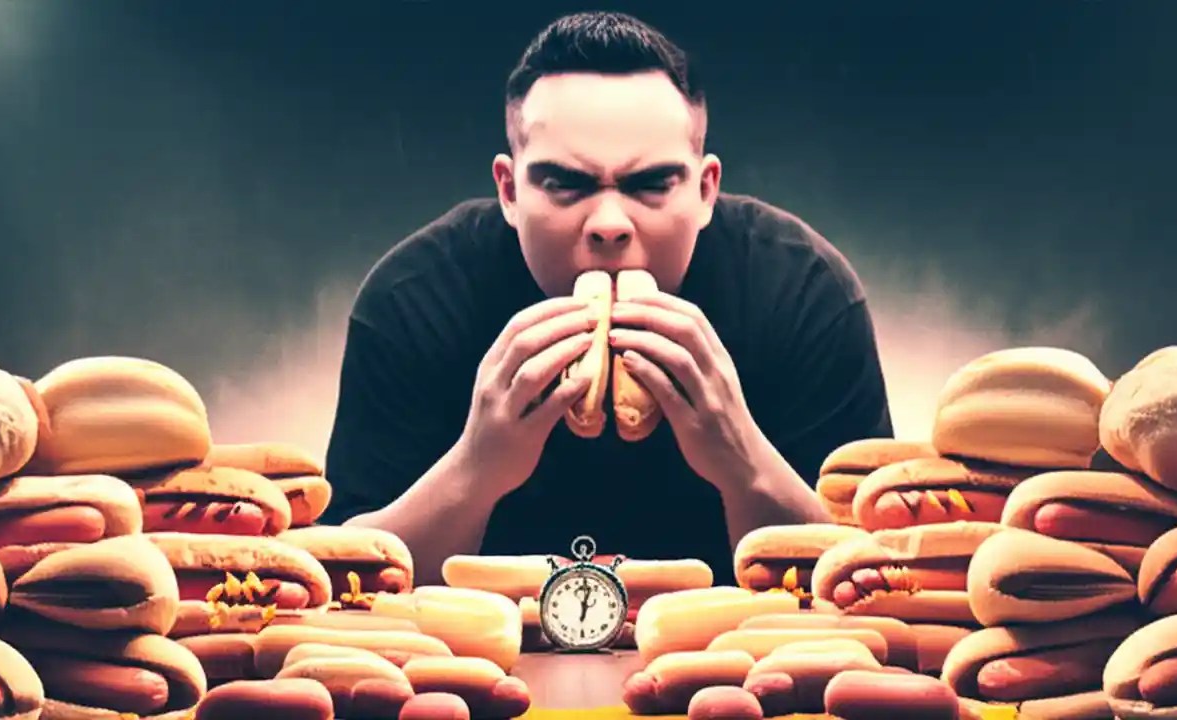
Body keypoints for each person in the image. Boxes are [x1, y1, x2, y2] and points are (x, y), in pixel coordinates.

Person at [321, 11, 894, 585]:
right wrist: (476, 468)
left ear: (704, 190)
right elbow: (343, 584)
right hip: (472, 666)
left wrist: (743, 462)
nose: (610, 224)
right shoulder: (412, 297)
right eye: (566, 183)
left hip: (741, 666)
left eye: (651, 184)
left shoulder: (802, 293)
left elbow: (874, 576)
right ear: (509, 190)